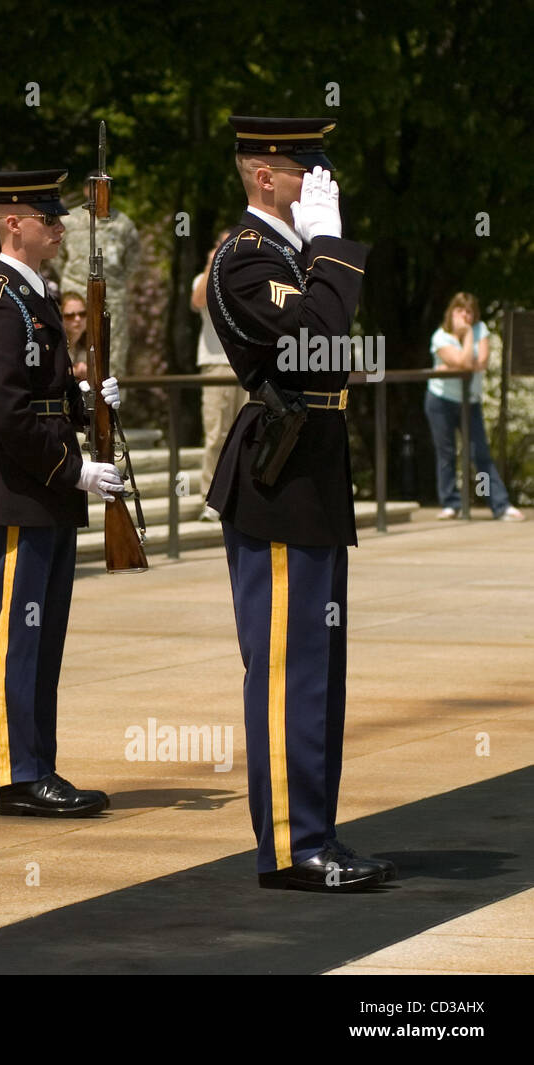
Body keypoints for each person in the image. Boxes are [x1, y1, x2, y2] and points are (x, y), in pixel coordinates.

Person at [206, 115, 398, 892]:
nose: (319, 186)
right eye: (303, 173)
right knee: (287, 669)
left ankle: (314, 831)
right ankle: (290, 847)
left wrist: (320, 253)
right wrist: (330, 247)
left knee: (319, 671)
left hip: (312, 475)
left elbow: (343, 351)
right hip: (277, 482)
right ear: (264, 178)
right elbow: (318, 336)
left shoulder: (290, 256)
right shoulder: (246, 260)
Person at [0, 170, 122, 817]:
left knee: (45, 634)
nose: (58, 227)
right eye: (47, 217)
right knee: (16, 636)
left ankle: (40, 763)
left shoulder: (36, 295)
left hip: (48, 491)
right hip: (25, 490)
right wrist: (74, 467)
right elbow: (6, 411)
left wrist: (86, 401)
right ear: (13, 224)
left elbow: (42, 391)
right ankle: (18, 775)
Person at [425, 292, 523, 522]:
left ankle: (497, 504)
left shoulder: (480, 331)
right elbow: (465, 364)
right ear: (452, 312)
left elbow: (476, 364)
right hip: (441, 401)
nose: (465, 316)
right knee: (446, 453)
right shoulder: (440, 336)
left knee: (479, 454)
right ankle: (451, 503)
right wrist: (463, 361)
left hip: (470, 401)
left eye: (469, 312)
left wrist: (467, 337)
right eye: (460, 311)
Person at [191, 229, 248, 521]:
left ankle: (242, 495)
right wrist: (211, 265)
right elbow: (198, 302)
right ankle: (210, 497)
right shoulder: (205, 279)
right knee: (217, 434)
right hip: (216, 364)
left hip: (246, 365)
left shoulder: (246, 278)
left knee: (249, 434)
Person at [58, 201, 141, 377]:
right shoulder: (69, 220)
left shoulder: (123, 223)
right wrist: (74, 279)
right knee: (70, 337)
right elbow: (57, 255)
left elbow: (133, 258)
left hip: (112, 295)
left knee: (114, 349)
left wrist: (114, 283)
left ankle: (112, 398)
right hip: (75, 290)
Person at [60, 290, 88, 380]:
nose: (77, 319)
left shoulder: (88, 347)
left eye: (82, 314)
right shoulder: (54, 347)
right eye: (70, 315)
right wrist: (73, 372)